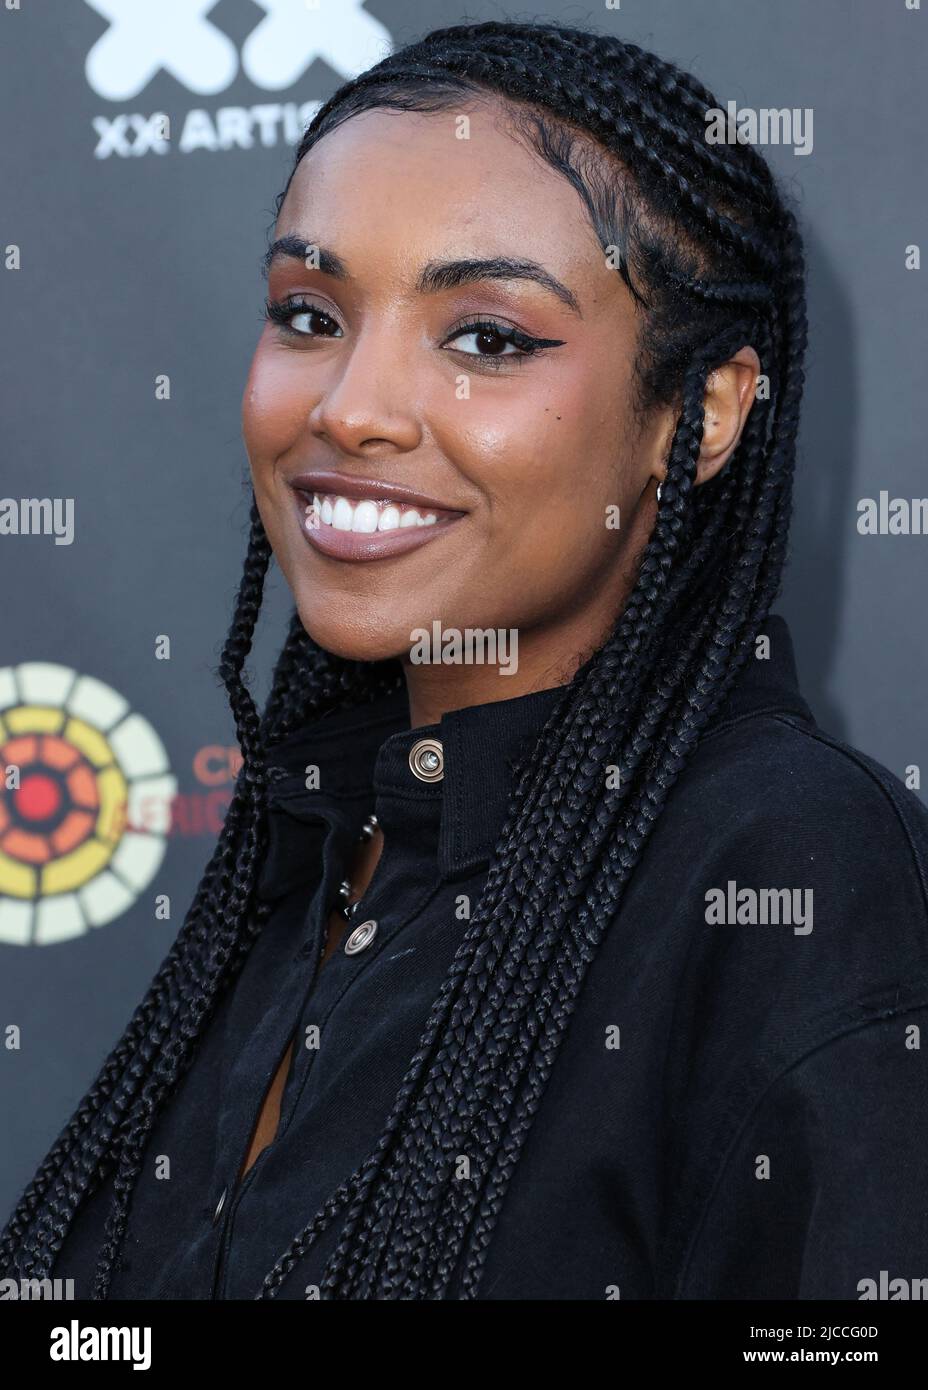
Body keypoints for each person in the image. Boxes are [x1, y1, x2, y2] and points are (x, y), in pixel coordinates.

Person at [3, 18, 926, 1301]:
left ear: (703, 410)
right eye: (310, 312)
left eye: (487, 337)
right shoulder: (316, 837)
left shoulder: (790, 870)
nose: (350, 407)